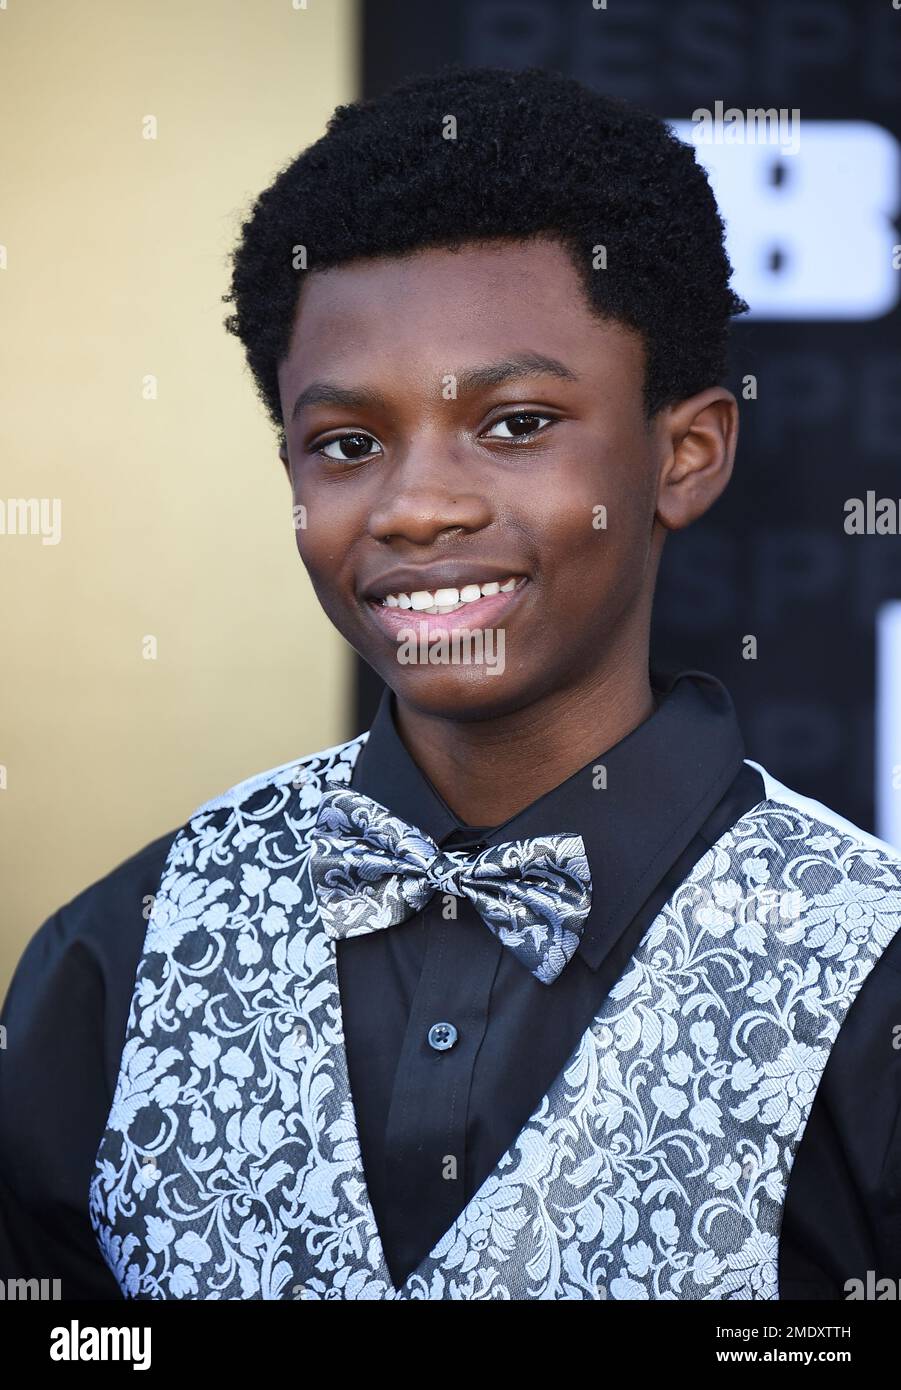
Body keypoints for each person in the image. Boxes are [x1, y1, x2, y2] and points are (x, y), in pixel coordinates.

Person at [2, 65, 900, 1302]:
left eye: (517, 423)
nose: (417, 506)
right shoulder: (116, 954)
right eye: (348, 445)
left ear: (683, 456)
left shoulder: (870, 969)